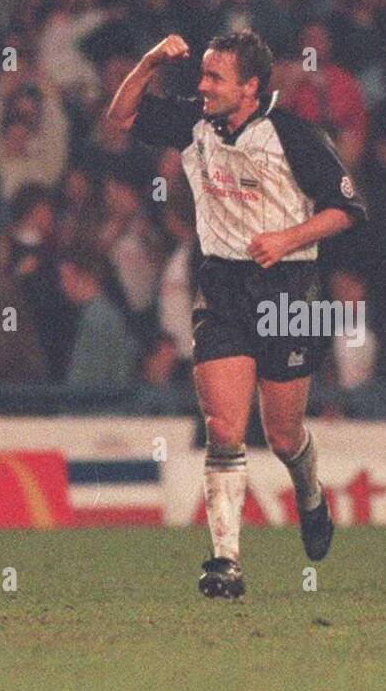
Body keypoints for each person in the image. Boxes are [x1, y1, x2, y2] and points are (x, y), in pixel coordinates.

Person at [103, 30, 367, 599]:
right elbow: (120, 117)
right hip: (222, 285)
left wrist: (288, 238)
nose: (202, 86)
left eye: (214, 77)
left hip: (289, 291)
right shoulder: (193, 123)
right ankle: (226, 560)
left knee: (283, 434)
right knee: (224, 428)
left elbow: (348, 209)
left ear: (249, 87)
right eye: (202, 74)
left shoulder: (295, 135)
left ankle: (309, 493)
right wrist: (149, 60)